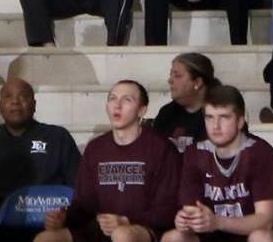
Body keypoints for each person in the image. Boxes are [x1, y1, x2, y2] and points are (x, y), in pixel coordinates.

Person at [35, 80, 177, 242]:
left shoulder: (161, 148)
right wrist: (63, 216)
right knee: (46, 238)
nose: (117, 105)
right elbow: (84, 204)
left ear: (141, 110)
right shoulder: (95, 148)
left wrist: (126, 220)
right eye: (112, 98)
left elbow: (168, 209)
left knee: (122, 235)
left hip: (143, 229)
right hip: (99, 229)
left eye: (127, 100)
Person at [161, 86, 273, 242]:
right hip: (212, 234)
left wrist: (219, 222)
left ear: (240, 121)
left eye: (224, 117)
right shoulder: (195, 153)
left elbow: (265, 220)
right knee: (174, 237)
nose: (215, 125)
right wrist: (187, 221)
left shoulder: (259, 152)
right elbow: (191, 210)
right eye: (209, 117)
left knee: (261, 237)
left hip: (250, 234)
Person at [0, 77, 78, 218]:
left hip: (47, 223)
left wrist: (63, 214)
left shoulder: (58, 137)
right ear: (0, 106)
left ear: (34, 105)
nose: (15, 101)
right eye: (8, 96)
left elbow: (78, 187)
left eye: (23, 96)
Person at [150, 54, 216, 152]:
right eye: (170, 75)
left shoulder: (221, 112)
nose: (170, 80)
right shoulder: (167, 112)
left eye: (177, 75)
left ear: (197, 82)